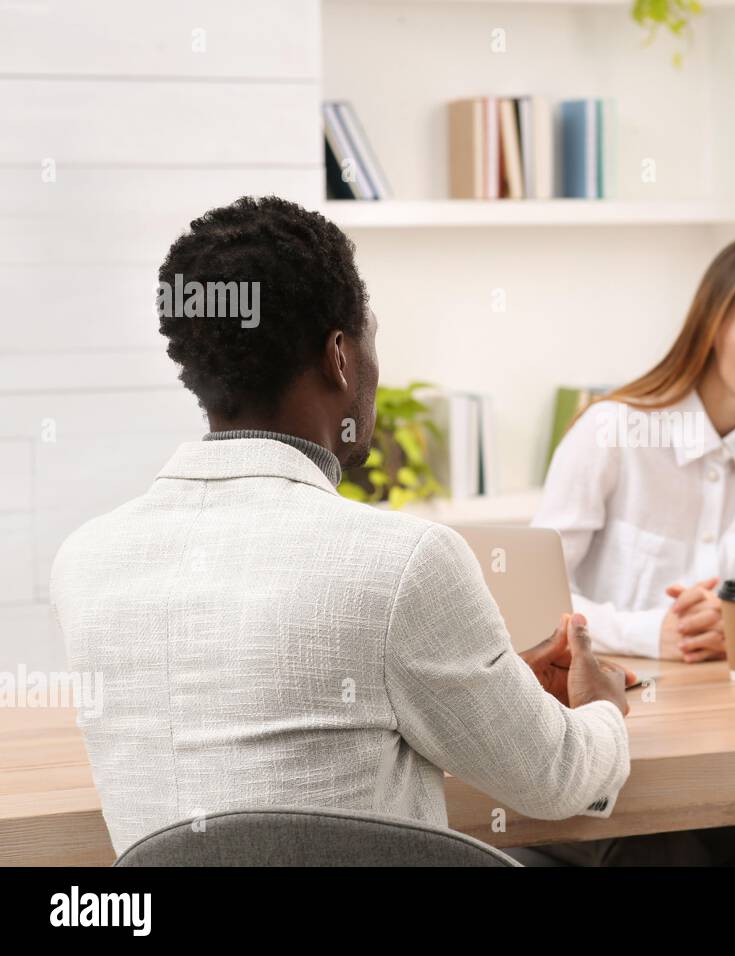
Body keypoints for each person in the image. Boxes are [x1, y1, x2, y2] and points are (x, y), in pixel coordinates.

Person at [50, 196, 632, 857]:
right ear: (340, 356)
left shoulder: (85, 562)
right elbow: (554, 780)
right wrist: (601, 707)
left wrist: (496, 689)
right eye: (370, 336)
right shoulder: (405, 561)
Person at [526, 232, 735, 865]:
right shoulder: (612, 431)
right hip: (619, 735)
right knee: (670, 847)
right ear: (711, 327)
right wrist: (658, 632)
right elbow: (536, 602)